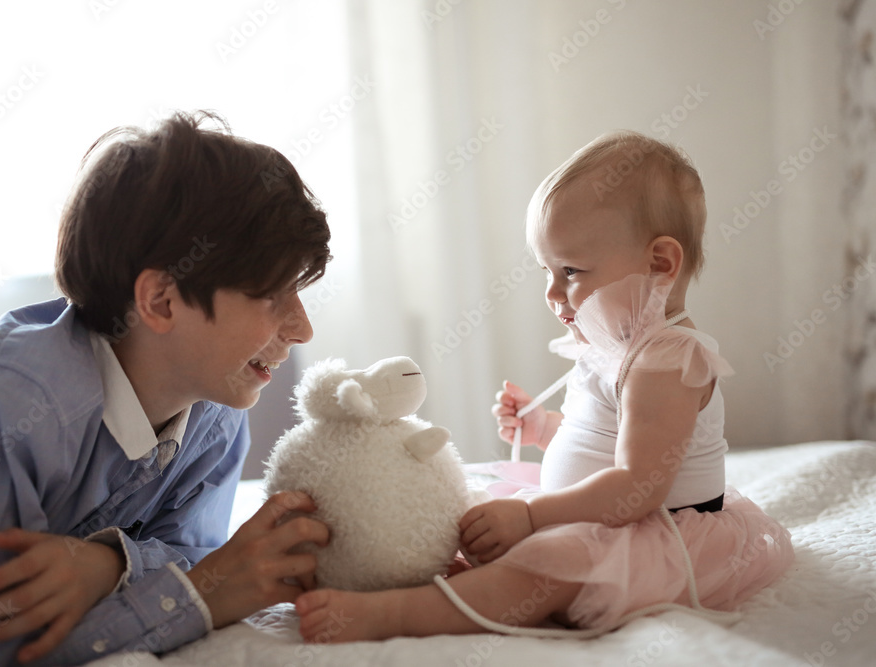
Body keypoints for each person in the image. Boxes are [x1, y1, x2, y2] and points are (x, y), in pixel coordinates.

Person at [295, 130, 794, 641]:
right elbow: (604, 442)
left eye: (571, 270)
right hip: (598, 516)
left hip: (655, 536)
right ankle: (426, 574)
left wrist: (533, 515)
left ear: (659, 264)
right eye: (546, 271)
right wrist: (544, 429)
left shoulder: (666, 361)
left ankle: (396, 615)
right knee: (473, 512)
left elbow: (637, 487)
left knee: (547, 566)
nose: (553, 293)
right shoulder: (613, 347)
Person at [0, 110, 332, 665]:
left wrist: (111, 563)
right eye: (272, 295)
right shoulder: (15, 402)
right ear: (161, 301)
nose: (303, 328)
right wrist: (196, 601)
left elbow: (194, 550)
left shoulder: (214, 409)